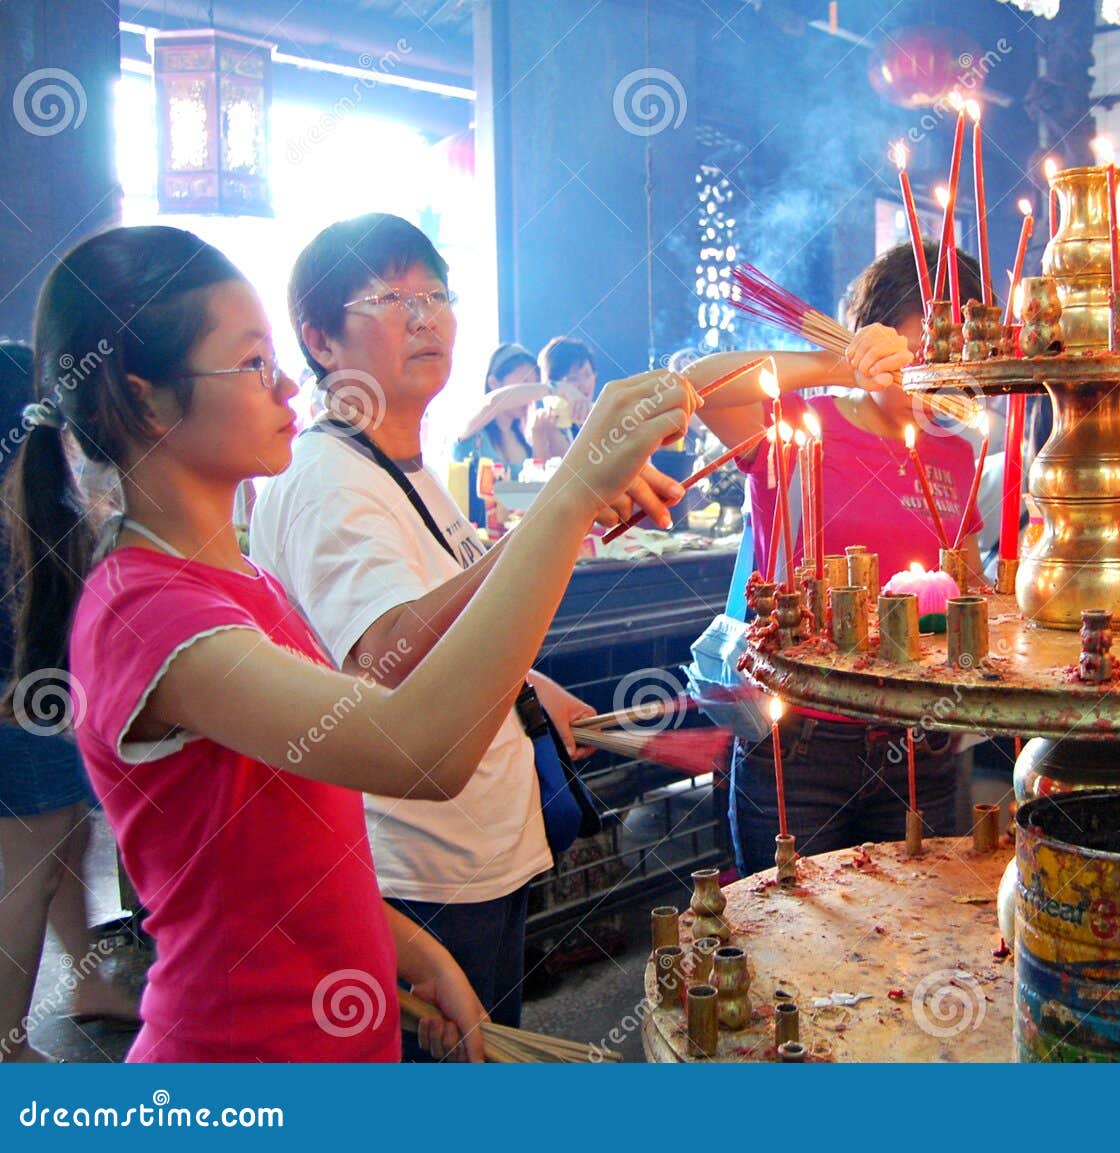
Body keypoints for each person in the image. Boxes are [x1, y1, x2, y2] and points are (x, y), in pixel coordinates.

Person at [3, 225, 693, 1061]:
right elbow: (420, 751)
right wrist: (573, 489)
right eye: (255, 363)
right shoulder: (148, 615)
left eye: (435, 296)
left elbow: (300, 841)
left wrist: (412, 949)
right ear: (147, 399)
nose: (290, 383)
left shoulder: (240, 586)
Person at [251, 214, 684, 1046]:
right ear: (318, 336)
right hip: (414, 870)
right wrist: (562, 510)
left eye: (436, 295)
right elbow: (387, 658)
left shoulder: (400, 465)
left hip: (473, 854)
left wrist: (528, 686)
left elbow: (457, 618)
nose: (426, 317)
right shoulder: (328, 480)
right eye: (391, 298)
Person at [688, 242, 985, 874]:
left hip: (918, 741)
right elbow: (698, 386)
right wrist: (840, 365)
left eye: (948, 360)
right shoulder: (796, 424)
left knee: (921, 934)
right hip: (799, 740)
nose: (930, 378)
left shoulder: (955, 454)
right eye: (915, 353)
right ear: (875, 335)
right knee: (797, 936)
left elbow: (968, 584)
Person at [0, 341, 140, 1063]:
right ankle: (5, 1042)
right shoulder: (20, 513)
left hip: (35, 700)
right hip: (21, 707)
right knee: (31, 861)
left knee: (66, 841)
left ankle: (88, 981)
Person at [452, 342, 559, 474]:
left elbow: (540, 484)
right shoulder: (473, 430)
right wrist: (555, 389)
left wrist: (538, 434)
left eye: (533, 386)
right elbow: (492, 402)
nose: (529, 395)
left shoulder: (522, 440)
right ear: (493, 383)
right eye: (524, 383)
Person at [527, 337, 597, 460]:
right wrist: (551, 433)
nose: (583, 384)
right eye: (573, 378)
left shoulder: (603, 415)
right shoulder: (539, 424)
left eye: (587, 375)